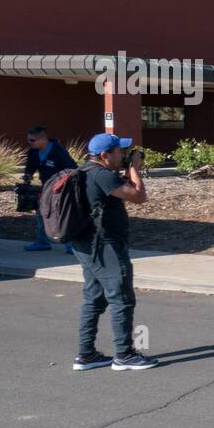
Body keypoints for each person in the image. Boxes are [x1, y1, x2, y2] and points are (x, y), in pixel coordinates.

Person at [71, 132, 158, 371]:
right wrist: (135, 169)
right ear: (104, 155)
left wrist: (126, 169)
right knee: (122, 299)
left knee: (94, 298)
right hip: (105, 246)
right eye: (119, 151)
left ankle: (86, 355)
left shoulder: (86, 171)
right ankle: (124, 355)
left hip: (86, 245)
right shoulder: (102, 175)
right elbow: (139, 196)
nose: (123, 154)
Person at [22, 126, 77, 252]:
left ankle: (70, 245)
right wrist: (27, 177)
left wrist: (63, 185)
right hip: (45, 188)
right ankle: (43, 242)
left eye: (32, 140)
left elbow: (72, 169)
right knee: (41, 214)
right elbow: (30, 167)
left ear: (43, 139)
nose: (29, 143)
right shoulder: (33, 152)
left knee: (61, 216)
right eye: (29, 140)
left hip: (61, 188)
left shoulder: (58, 151)